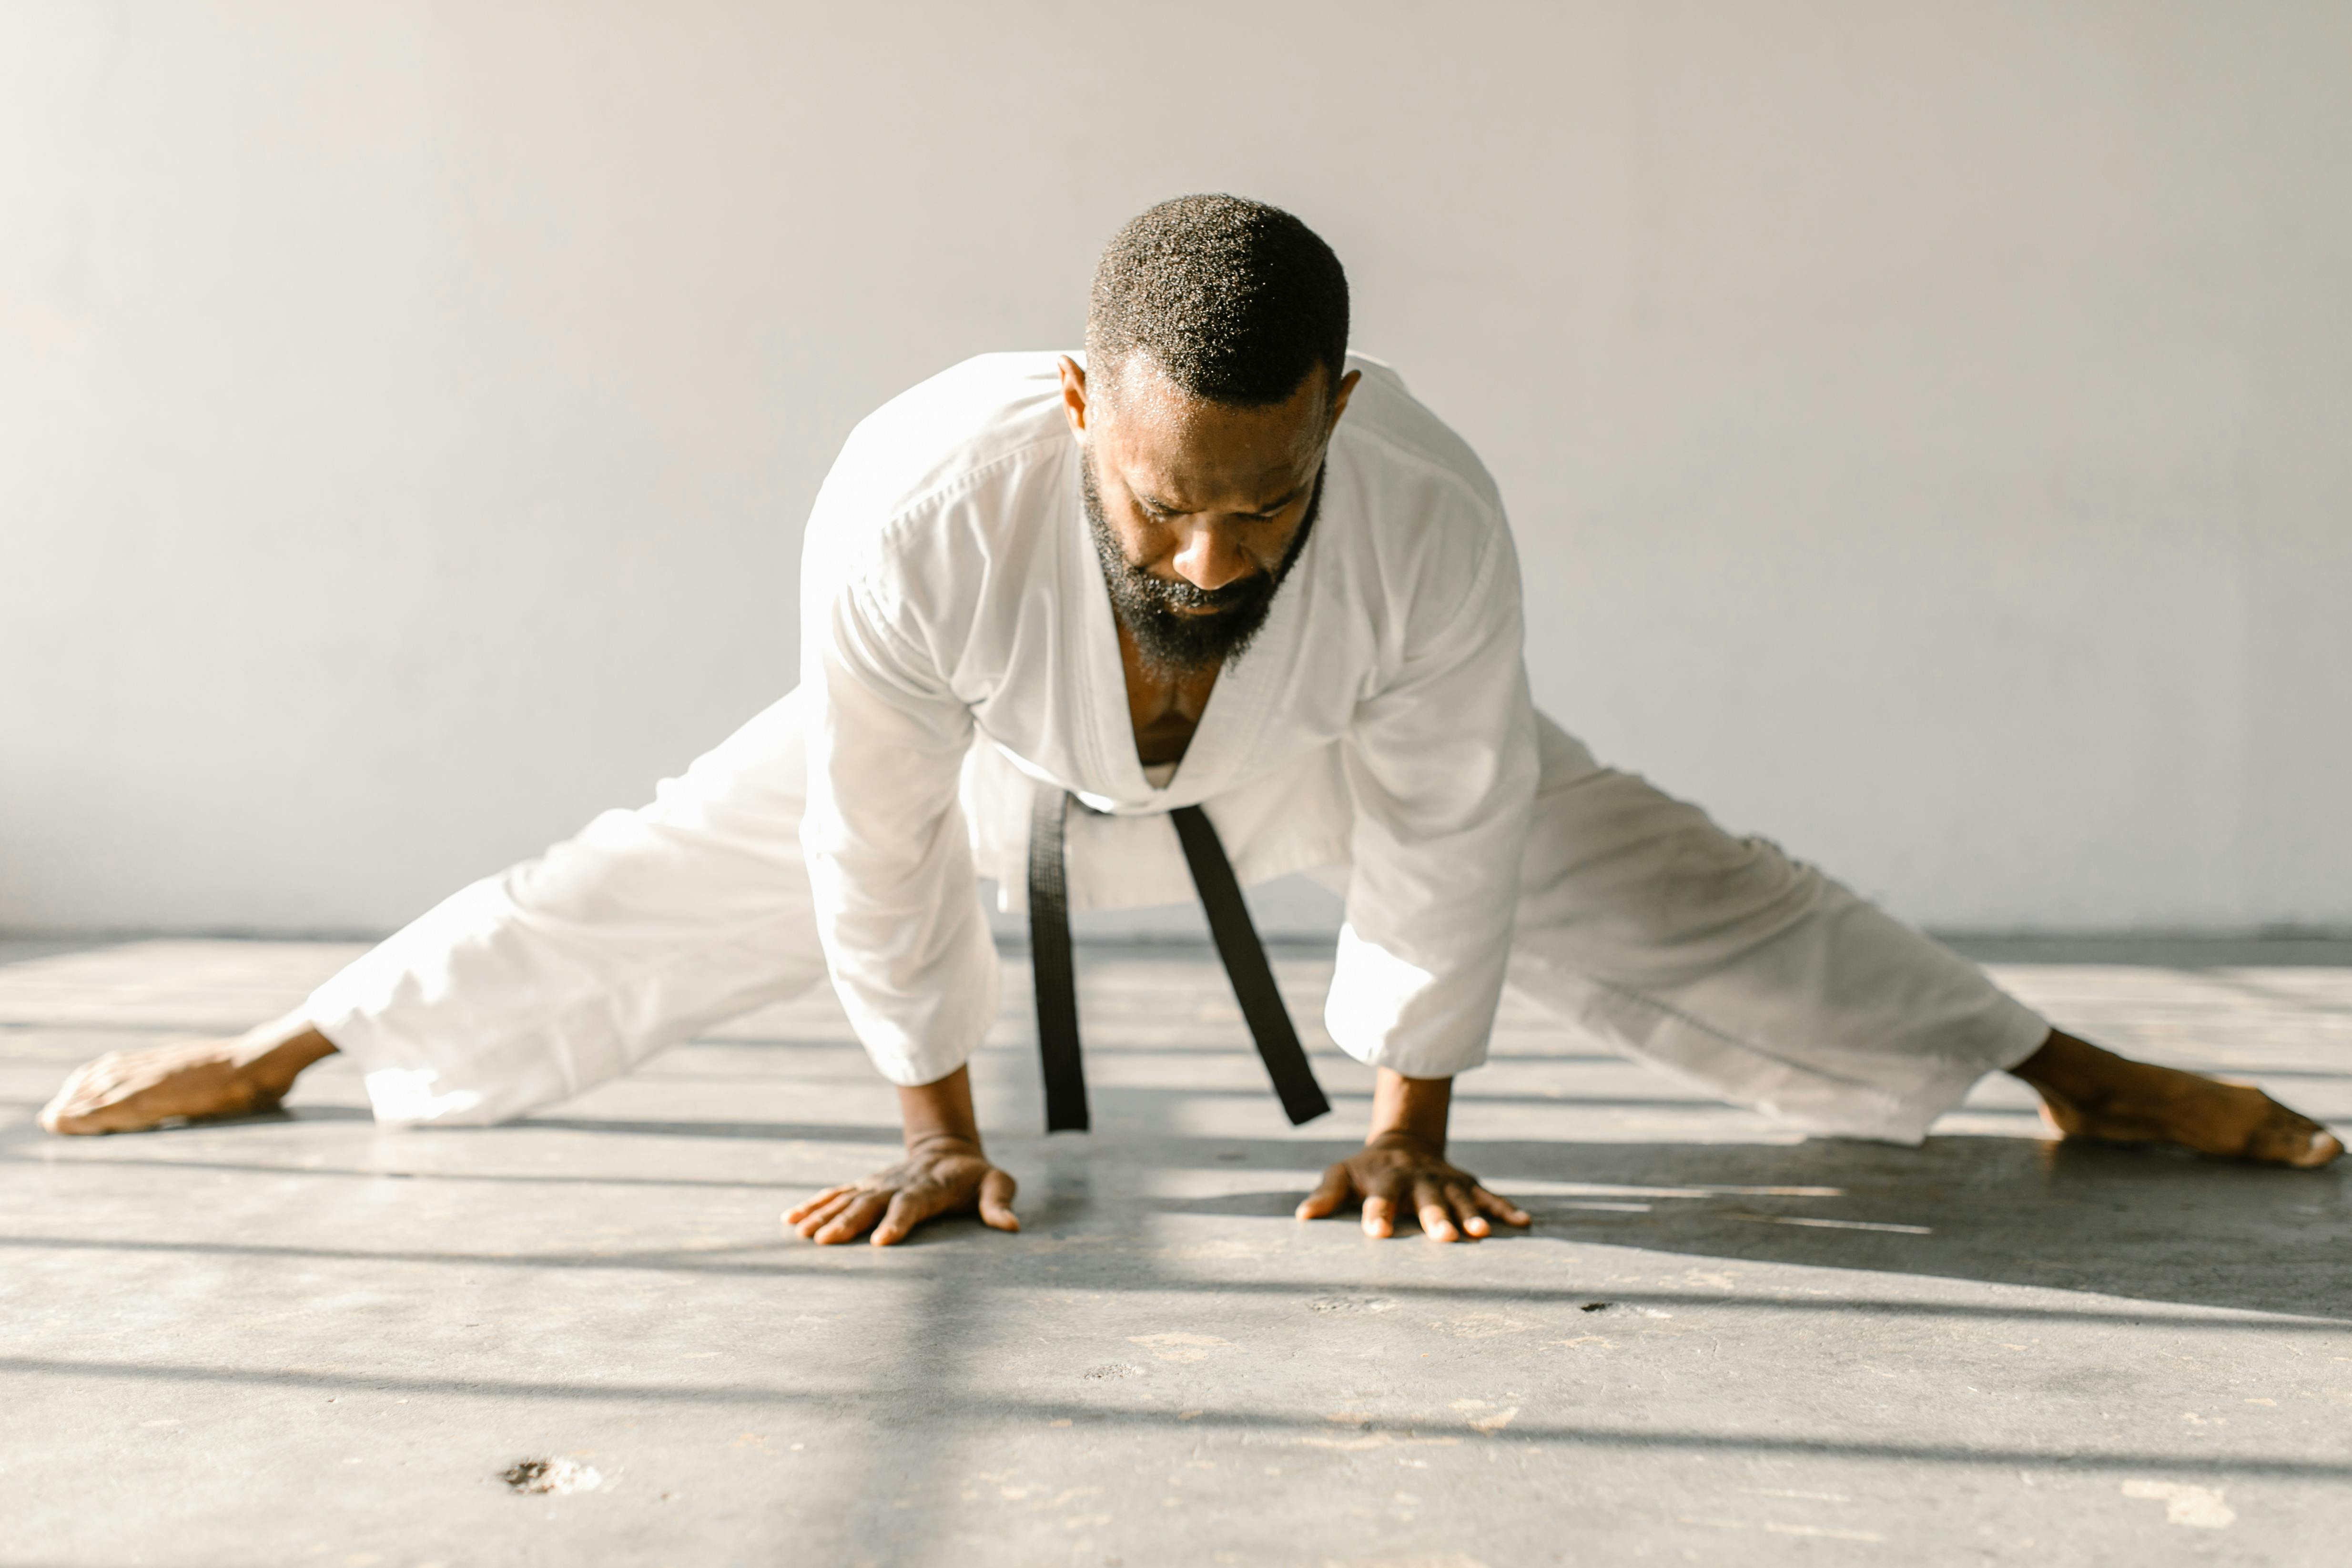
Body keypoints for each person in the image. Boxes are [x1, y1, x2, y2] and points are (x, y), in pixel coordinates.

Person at [40, 195, 2342, 1247]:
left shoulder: (1426, 518)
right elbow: (865, 839)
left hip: (1323, 755)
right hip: (986, 748)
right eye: (1165, 499)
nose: (1218, 553)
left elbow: (1453, 821)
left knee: (1664, 867)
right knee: (647, 868)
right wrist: (941, 1134)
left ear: (1339, 408)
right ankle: (307, 1043)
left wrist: (1408, 1111)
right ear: (1075, 407)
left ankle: (2062, 1069)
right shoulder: (918, 515)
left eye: (1271, 496)